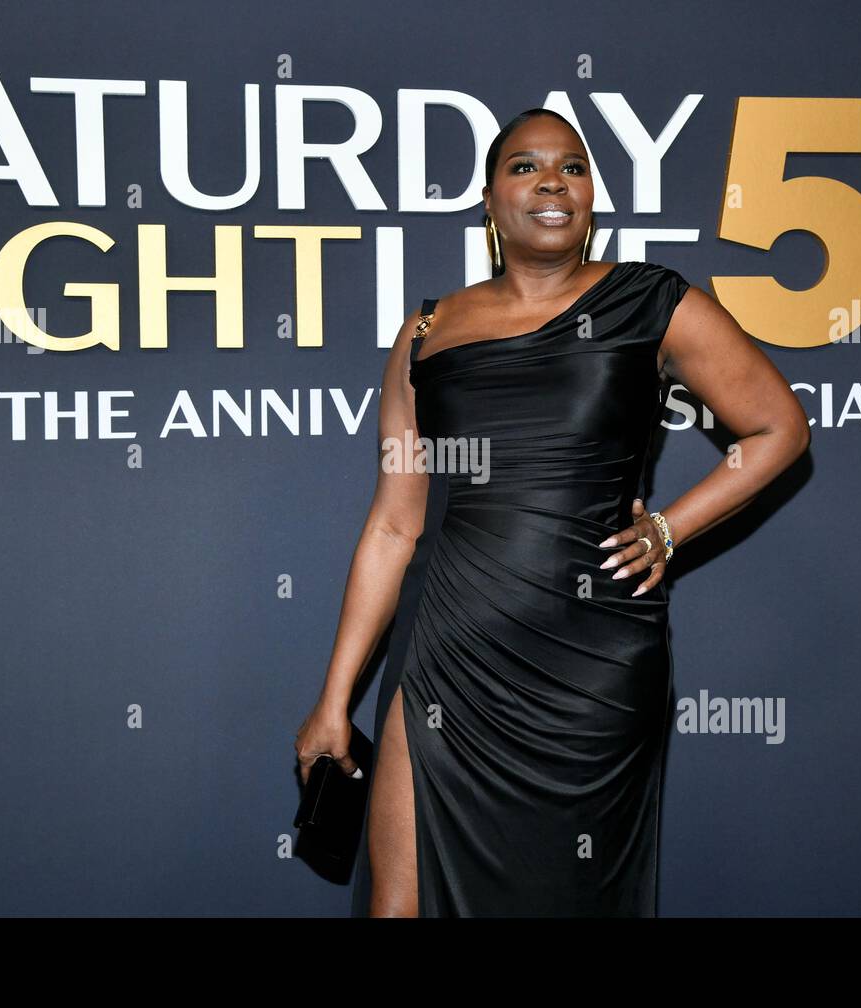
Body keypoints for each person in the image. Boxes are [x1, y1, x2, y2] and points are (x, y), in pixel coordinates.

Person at [295, 108, 811, 917]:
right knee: (400, 906)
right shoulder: (427, 333)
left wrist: (670, 529)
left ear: (592, 197)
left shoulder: (653, 302)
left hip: (593, 669)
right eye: (525, 167)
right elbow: (396, 524)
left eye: (572, 168)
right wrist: (335, 701)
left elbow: (777, 428)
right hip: (448, 654)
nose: (550, 183)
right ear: (490, 201)